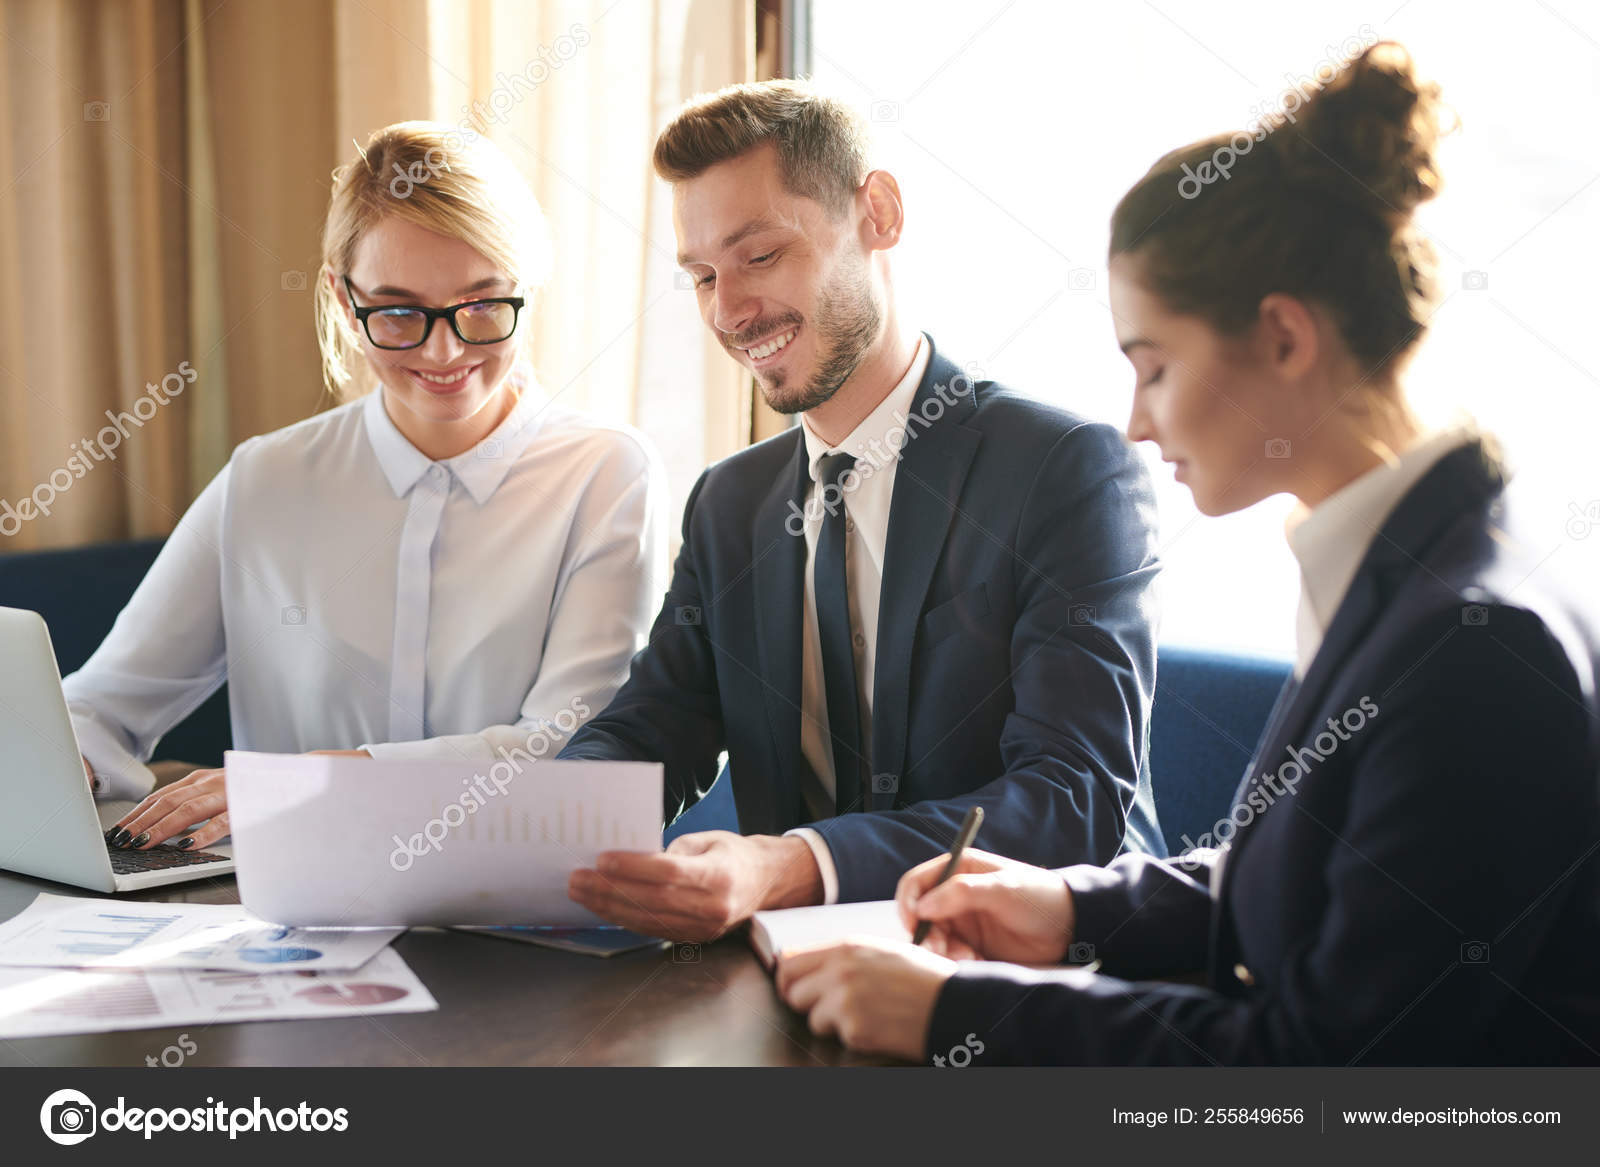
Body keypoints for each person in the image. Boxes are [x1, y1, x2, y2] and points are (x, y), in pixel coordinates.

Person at [775, 43, 1600, 1065]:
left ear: (1285, 339)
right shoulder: (1407, 560)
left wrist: (956, 1016)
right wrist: (1070, 909)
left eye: (1153, 368)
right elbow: (1307, 884)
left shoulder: (1474, 642)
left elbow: (1327, 1063)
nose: (1134, 424)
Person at [562, 81, 1164, 941]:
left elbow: (1071, 802)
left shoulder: (1061, 470)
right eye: (701, 276)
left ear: (877, 213)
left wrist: (791, 865)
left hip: (1039, 977)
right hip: (794, 980)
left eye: (761, 256)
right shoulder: (730, 503)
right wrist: (528, 826)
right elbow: (656, 725)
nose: (728, 311)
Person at [71, 122, 667, 853]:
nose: (443, 350)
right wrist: (72, 755)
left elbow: (565, 748)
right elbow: (98, 705)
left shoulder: (605, 473)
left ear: (528, 288)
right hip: (286, 909)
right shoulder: (266, 479)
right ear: (342, 298)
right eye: (397, 311)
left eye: (483, 304)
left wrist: (326, 778)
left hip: (510, 905)